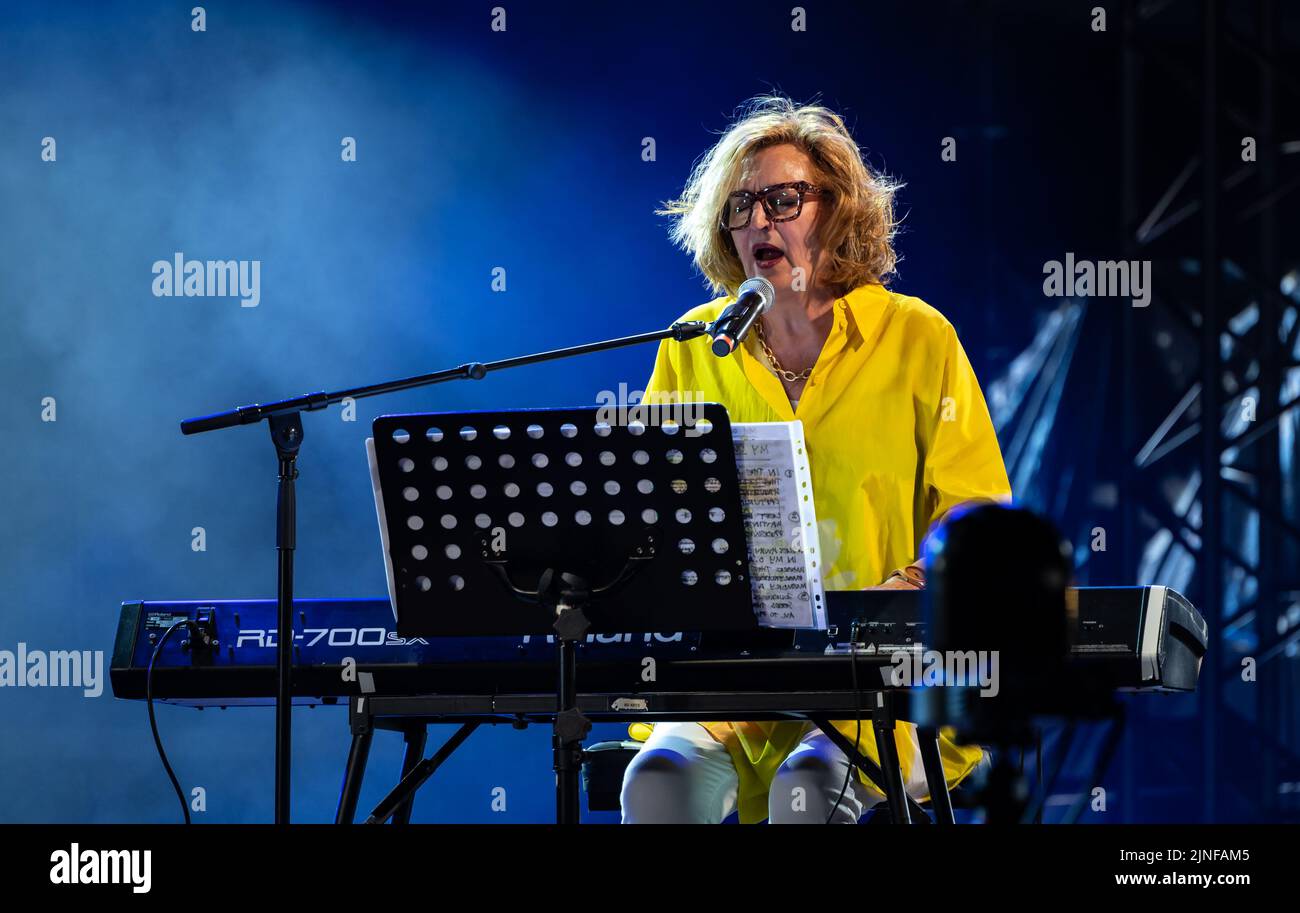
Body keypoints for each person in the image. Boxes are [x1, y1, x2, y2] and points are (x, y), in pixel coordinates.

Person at [619, 96, 1012, 824]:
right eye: (740, 205)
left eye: (782, 199)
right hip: (737, 676)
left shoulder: (918, 336)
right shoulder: (693, 344)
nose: (760, 221)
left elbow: (980, 512)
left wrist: (916, 581)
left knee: (805, 793)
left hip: (889, 678)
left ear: (838, 211)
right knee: (657, 782)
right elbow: (653, 507)